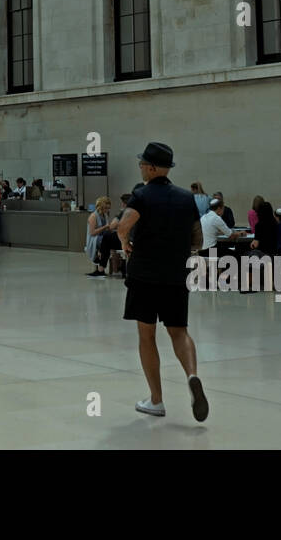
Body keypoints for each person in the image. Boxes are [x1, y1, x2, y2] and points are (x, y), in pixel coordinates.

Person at [117, 142, 207, 422]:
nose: (141, 167)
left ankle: (156, 400)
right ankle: (192, 375)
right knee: (179, 332)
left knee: (147, 335)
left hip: (144, 275)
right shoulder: (185, 198)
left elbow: (123, 224)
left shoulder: (141, 196)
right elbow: (198, 239)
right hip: (175, 276)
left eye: (143, 164)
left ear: (153, 168)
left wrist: (125, 243)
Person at [86, 196, 115, 275]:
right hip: (94, 239)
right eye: (106, 208)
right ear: (101, 207)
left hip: (102, 237)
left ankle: (102, 268)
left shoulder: (104, 215)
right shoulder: (93, 216)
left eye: (108, 208)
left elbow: (105, 230)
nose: (107, 210)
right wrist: (105, 227)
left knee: (110, 240)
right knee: (107, 241)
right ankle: (102, 266)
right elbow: (92, 233)